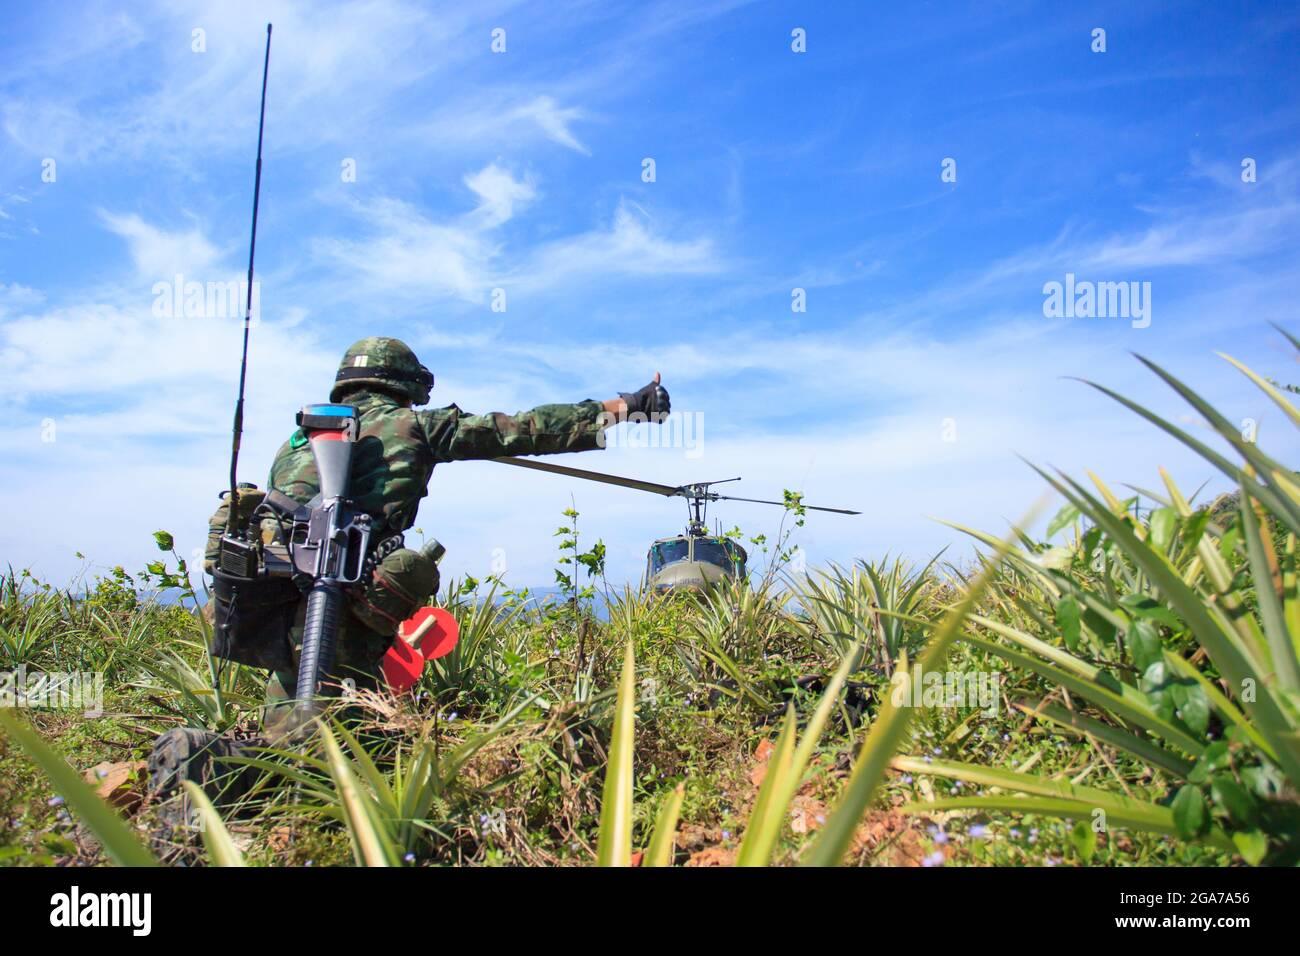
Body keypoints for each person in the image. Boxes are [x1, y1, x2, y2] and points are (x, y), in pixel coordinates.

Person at [262, 336, 668, 704]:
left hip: (276, 608)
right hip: (342, 613)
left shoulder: (296, 442)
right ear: (405, 386)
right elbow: (522, 429)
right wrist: (628, 408)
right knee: (343, 744)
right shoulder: (413, 427)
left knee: (284, 734)